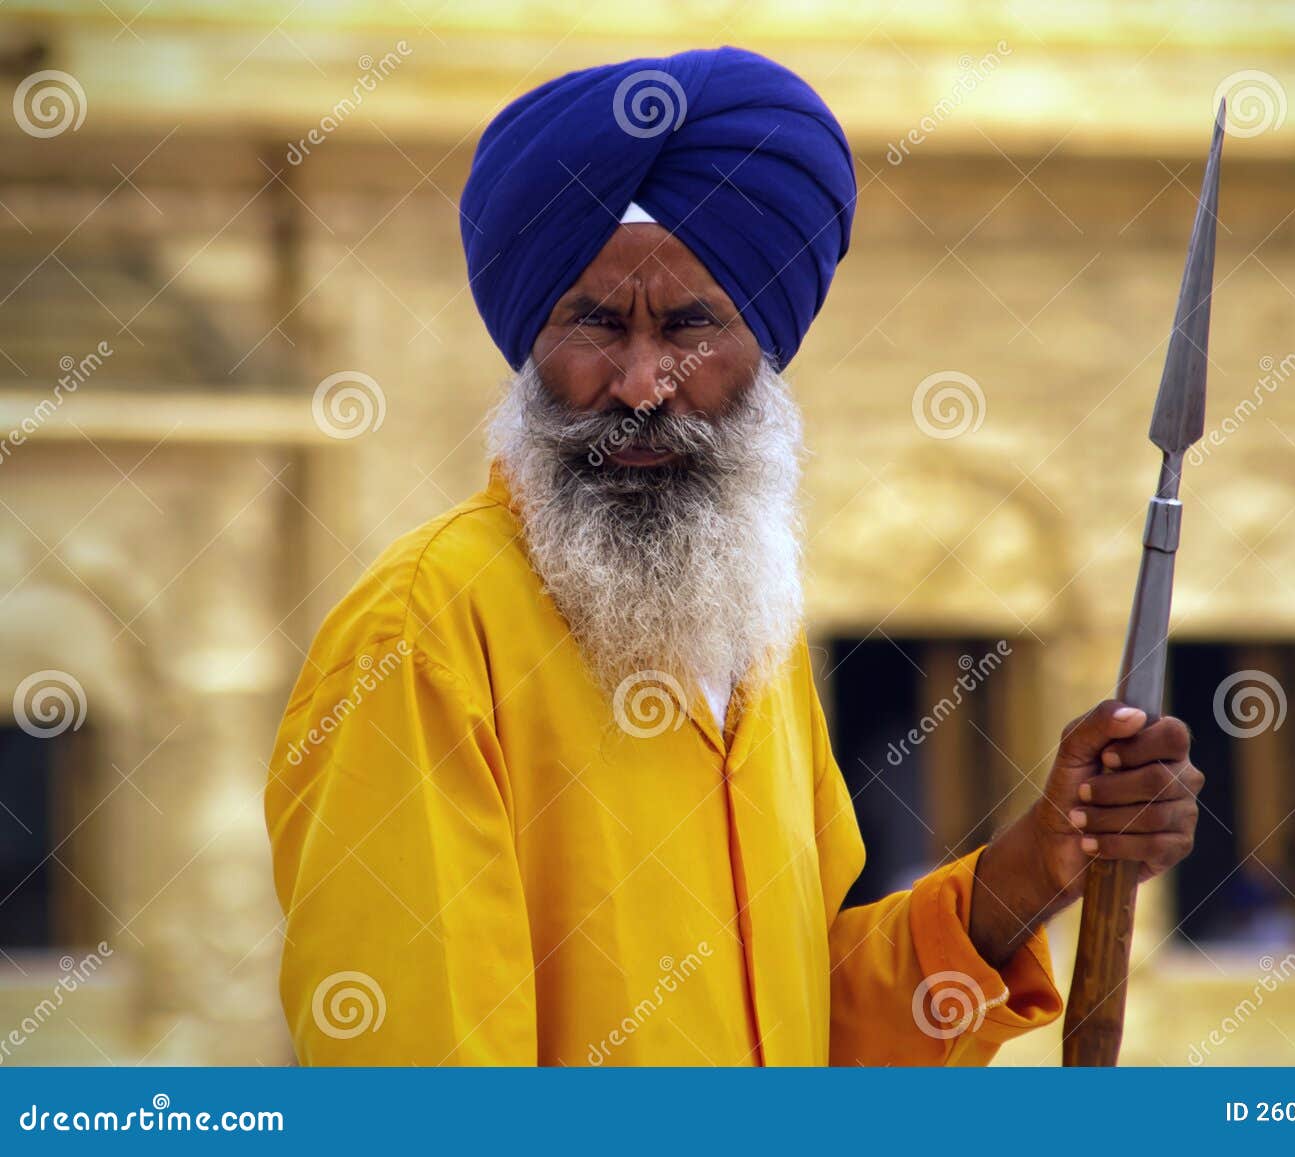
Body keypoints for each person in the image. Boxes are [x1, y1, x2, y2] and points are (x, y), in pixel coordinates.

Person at [264, 46, 1203, 1065]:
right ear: (530, 341)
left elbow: (802, 1024)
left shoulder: (745, 623)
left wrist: (1040, 864)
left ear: (763, 347)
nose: (637, 381)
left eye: (689, 325)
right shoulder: (427, 634)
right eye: (590, 321)